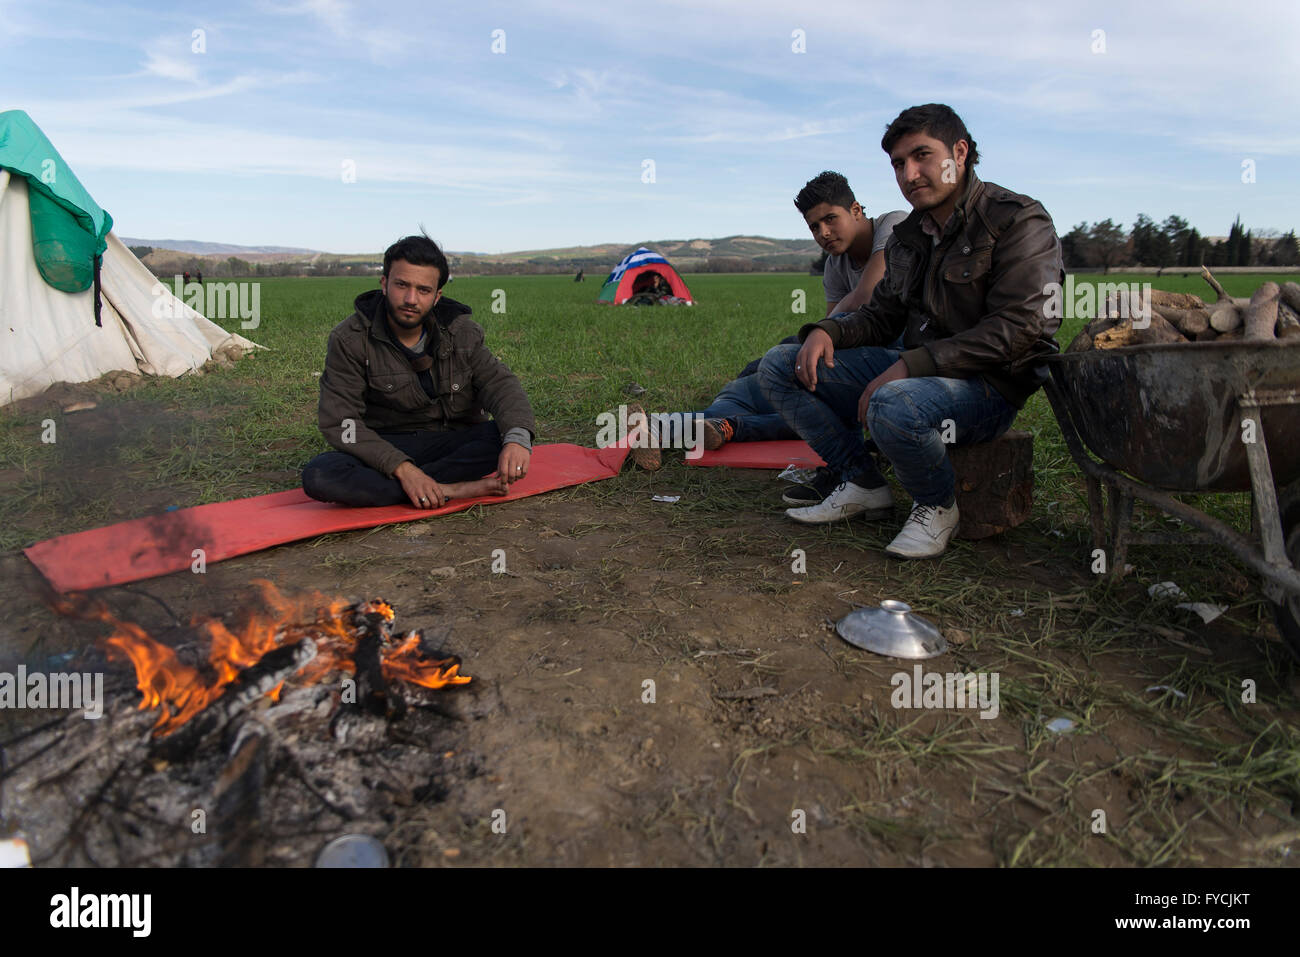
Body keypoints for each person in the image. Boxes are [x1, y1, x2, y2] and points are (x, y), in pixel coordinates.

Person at [758, 104, 1063, 558]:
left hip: (989, 386)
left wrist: (911, 364)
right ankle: (861, 481)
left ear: (959, 153)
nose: (910, 173)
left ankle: (937, 506)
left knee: (893, 402)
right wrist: (826, 332)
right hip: (917, 373)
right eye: (899, 163)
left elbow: (1022, 328)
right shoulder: (909, 237)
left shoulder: (1017, 219)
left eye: (921, 156)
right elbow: (882, 315)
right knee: (780, 366)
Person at [630, 173, 905, 471]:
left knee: (806, 391)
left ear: (856, 210)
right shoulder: (835, 264)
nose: (823, 233)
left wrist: (818, 338)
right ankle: (665, 426)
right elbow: (834, 323)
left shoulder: (893, 226)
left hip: (901, 355)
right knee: (754, 386)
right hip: (860, 350)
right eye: (814, 226)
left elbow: (866, 296)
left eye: (830, 219)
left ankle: (707, 426)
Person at [302, 233, 536, 509]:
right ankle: (452, 489)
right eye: (402, 285)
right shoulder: (350, 339)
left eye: (423, 290)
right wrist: (402, 468)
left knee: (503, 435)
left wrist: (518, 440)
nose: (411, 299)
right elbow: (342, 423)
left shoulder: (462, 332)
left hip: (451, 439)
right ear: (384, 284)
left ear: (437, 296)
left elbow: (501, 385)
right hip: (389, 445)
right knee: (320, 474)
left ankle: (410, 488)